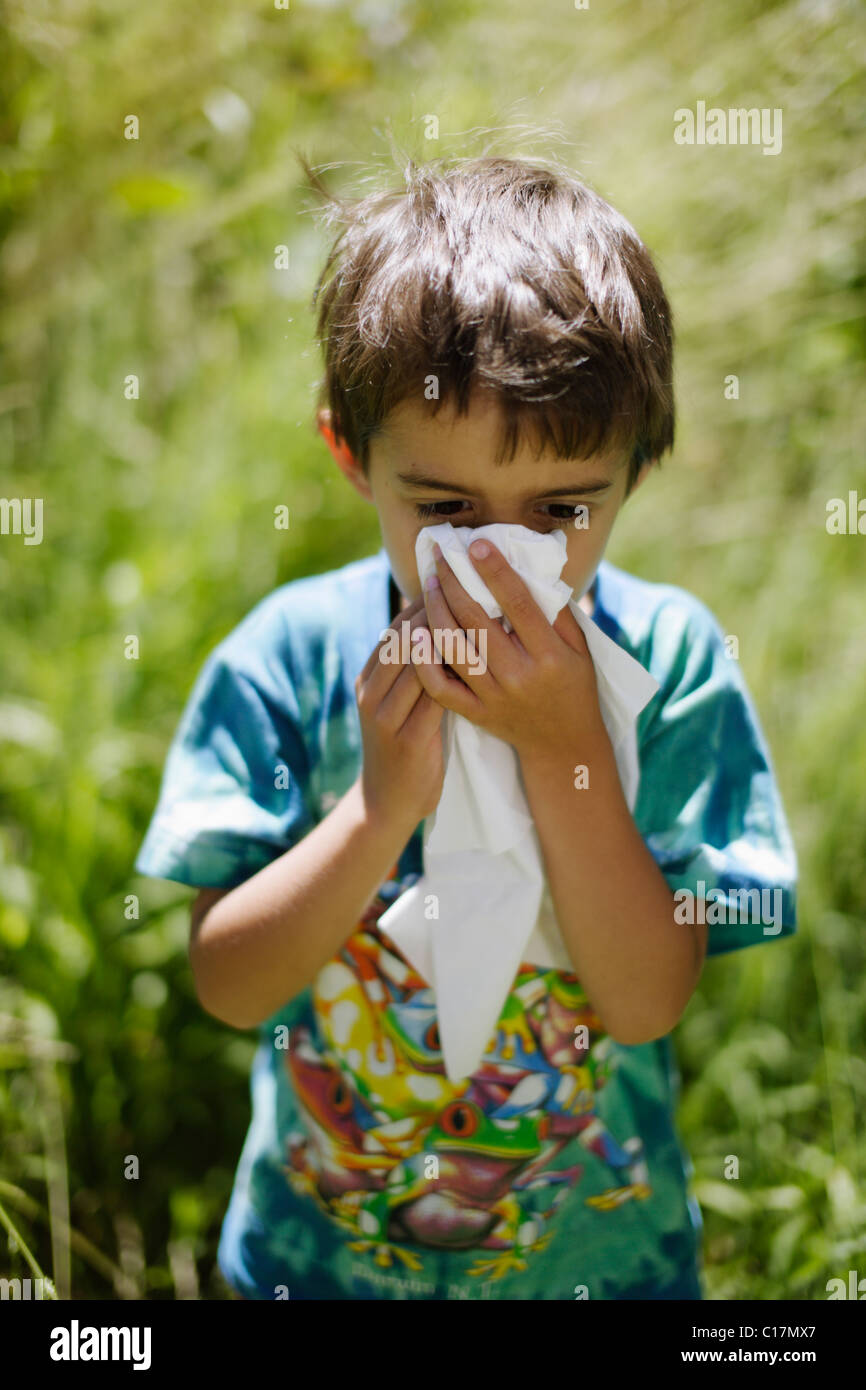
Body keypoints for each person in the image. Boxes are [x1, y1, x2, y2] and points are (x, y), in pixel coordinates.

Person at [134, 154, 797, 1300]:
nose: (497, 562)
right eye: (443, 510)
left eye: (558, 510)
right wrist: (379, 807)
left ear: (636, 468)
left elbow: (642, 1002)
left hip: (596, 1267)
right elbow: (230, 984)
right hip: (319, 1266)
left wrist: (568, 750)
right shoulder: (291, 662)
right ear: (352, 455)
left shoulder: (671, 667)